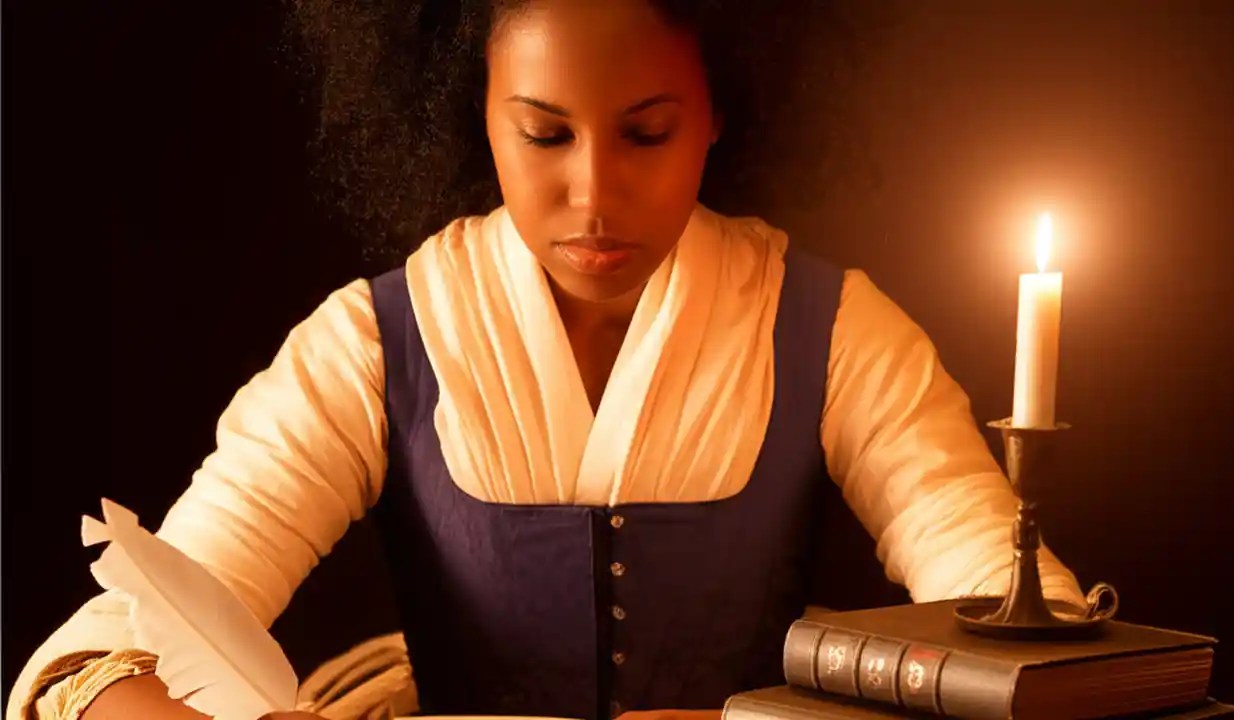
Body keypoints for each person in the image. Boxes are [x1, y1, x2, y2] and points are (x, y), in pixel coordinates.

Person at [8, 1, 1085, 719]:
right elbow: (111, 645)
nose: (593, 195)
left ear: (715, 113)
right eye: (543, 133)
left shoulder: (835, 326)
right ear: (472, 113)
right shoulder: (372, 341)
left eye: (645, 133)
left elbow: (998, 600)